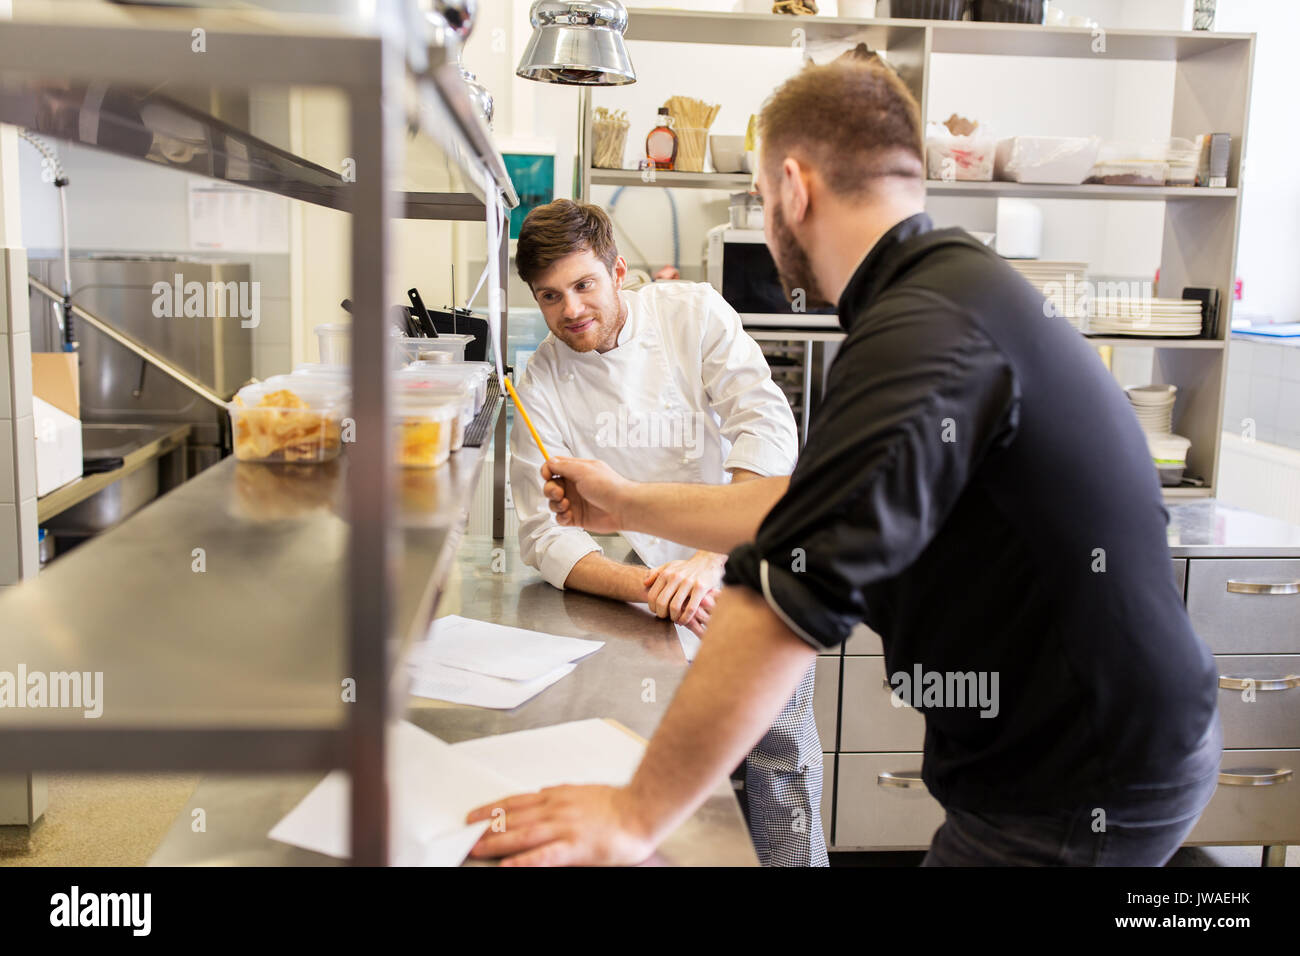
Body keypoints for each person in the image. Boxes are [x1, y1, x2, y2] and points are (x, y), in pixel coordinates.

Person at [468, 60, 1221, 867]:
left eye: (759, 198)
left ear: (792, 187)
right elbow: (806, 509)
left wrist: (635, 811)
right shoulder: (949, 288)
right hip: (1095, 748)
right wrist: (624, 505)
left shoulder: (919, 330)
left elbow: (791, 586)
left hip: (1073, 777)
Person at [506, 199, 826, 867]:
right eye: (550, 296)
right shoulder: (540, 381)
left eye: (585, 285)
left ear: (619, 271)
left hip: (751, 572)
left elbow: (764, 431)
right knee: (656, 770)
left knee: (780, 762)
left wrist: (713, 562)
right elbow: (544, 535)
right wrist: (656, 590)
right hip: (647, 604)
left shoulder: (694, 313)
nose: (570, 310)